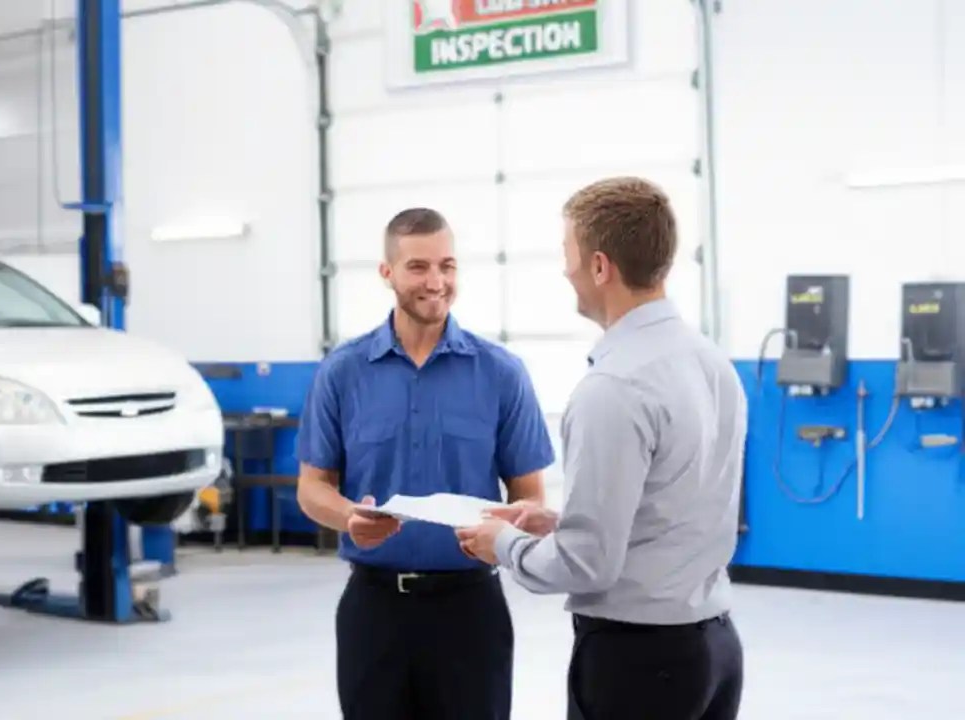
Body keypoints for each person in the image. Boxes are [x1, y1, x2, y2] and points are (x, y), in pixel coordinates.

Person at [456, 176, 748, 720]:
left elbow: (587, 566)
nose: (563, 269)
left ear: (598, 266)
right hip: (713, 649)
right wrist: (555, 521)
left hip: (638, 662)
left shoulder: (613, 387)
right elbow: (672, 504)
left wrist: (503, 544)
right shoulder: (711, 364)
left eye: (566, 252)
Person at [295, 207, 557, 720]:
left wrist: (507, 526)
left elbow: (531, 497)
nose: (436, 282)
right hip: (373, 611)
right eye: (418, 267)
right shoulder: (343, 373)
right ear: (387, 272)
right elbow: (312, 487)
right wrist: (348, 516)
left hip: (470, 610)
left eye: (448, 266)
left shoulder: (501, 373)